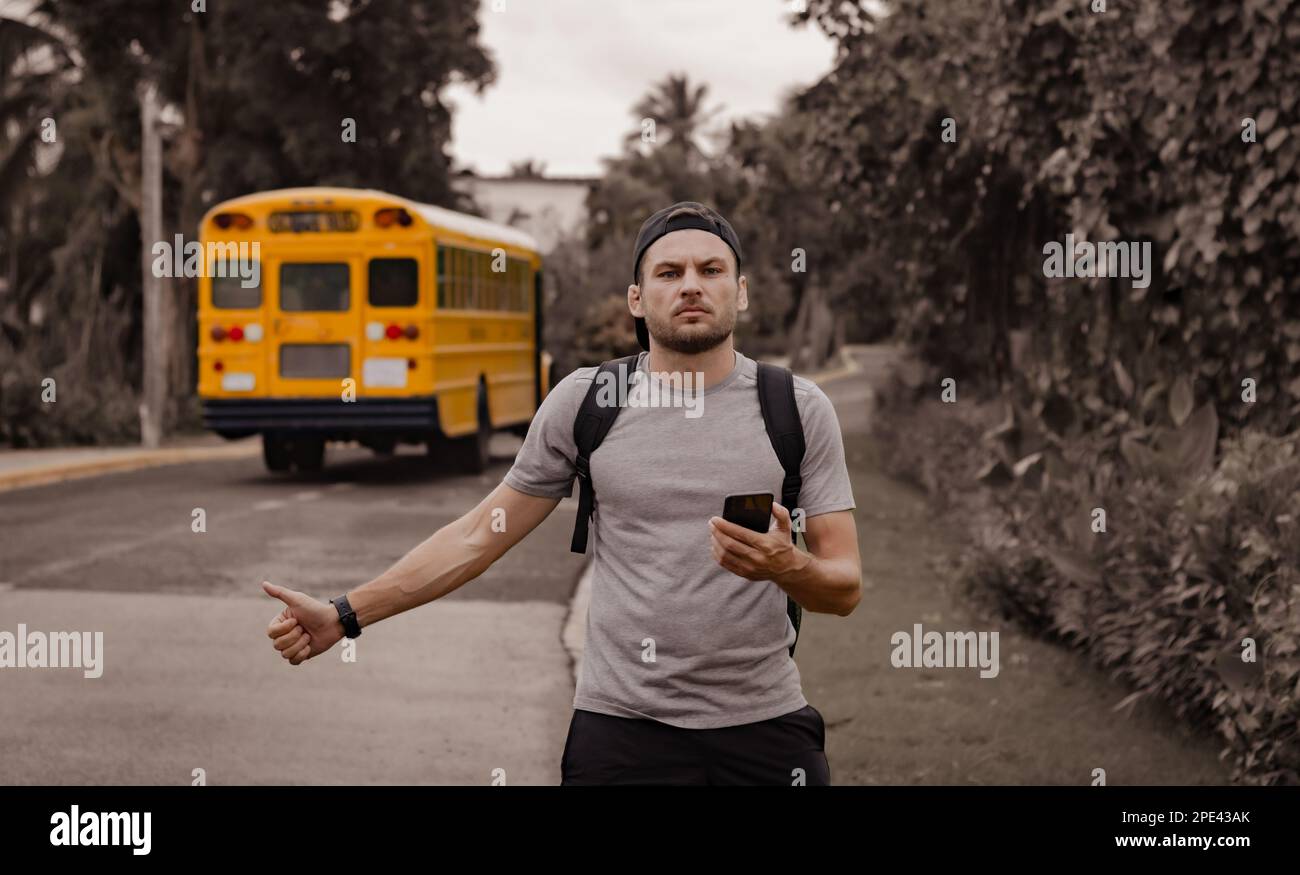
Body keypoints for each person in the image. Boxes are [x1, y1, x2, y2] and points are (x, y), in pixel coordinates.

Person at [263, 201, 862, 785]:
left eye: (711, 270)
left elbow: (845, 588)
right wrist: (344, 615)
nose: (690, 286)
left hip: (764, 728)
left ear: (741, 291)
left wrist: (786, 566)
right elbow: (477, 536)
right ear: (636, 298)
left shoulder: (796, 409)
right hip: (621, 733)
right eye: (668, 272)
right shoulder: (587, 402)